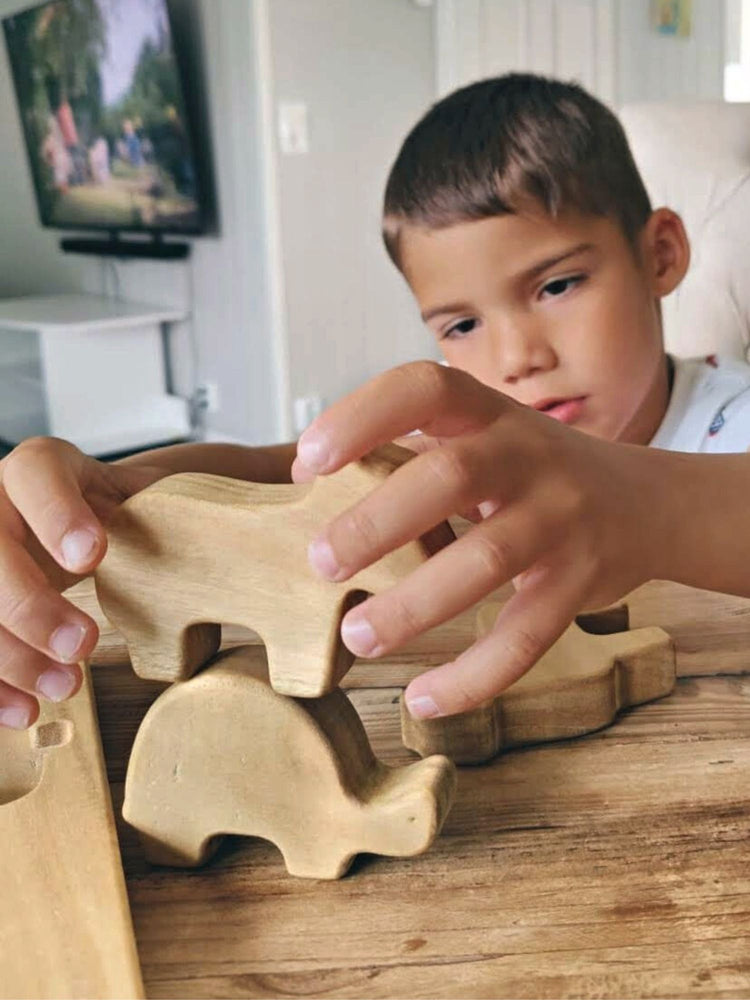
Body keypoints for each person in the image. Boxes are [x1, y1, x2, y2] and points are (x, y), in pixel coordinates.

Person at [3, 73, 750, 731]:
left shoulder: (734, 417)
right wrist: (115, 494)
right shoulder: (473, 457)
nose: (519, 357)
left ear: (660, 254)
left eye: (557, 286)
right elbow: (280, 477)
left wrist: (643, 505)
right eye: (462, 325)